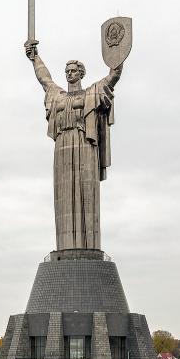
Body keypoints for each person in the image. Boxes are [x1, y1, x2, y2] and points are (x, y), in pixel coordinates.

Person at [24, 39, 122, 251]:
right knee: (64, 198)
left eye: (73, 71)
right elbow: (45, 79)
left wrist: (118, 56)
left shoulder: (92, 93)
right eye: (67, 71)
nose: (69, 74)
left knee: (87, 194)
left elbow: (112, 77)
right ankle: (66, 247)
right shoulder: (57, 96)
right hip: (62, 147)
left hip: (85, 144)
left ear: (81, 73)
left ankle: (88, 247)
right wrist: (35, 58)